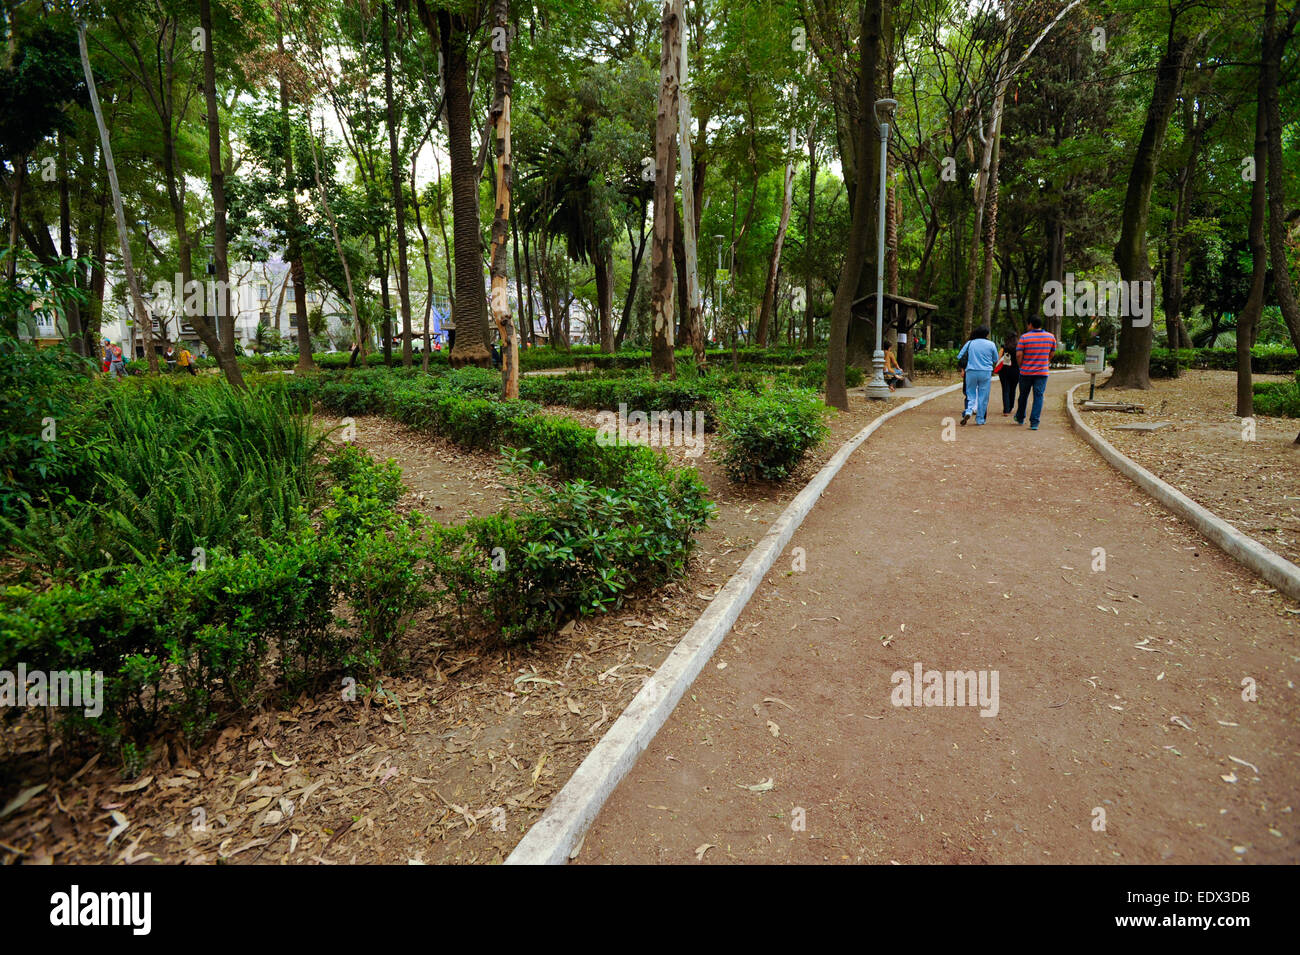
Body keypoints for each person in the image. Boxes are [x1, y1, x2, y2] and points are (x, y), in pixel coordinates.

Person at [1014, 316, 1057, 430]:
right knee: (1038, 396)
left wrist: (1021, 365)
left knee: (1023, 395)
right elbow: (1052, 352)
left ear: (1030, 325)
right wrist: (1046, 361)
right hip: (1042, 373)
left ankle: (1020, 417)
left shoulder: (1024, 337)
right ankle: (1034, 423)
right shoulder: (1050, 337)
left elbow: (1018, 354)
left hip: (1026, 372)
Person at [955, 325, 998, 425]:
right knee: (983, 396)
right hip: (985, 372)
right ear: (987, 334)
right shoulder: (991, 344)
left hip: (971, 371)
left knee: (970, 393)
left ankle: (969, 410)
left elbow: (960, 356)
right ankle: (980, 419)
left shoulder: (970, 343)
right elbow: (995, 359)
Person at [996, 334, 1019, 417]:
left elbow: (998, 358)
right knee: (1013, 389)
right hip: (1016, 371)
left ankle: (1006, 410)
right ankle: (1011, 406)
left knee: (1005, 389)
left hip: (1004, 371)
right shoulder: (1019, 347)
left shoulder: (1004, 348)